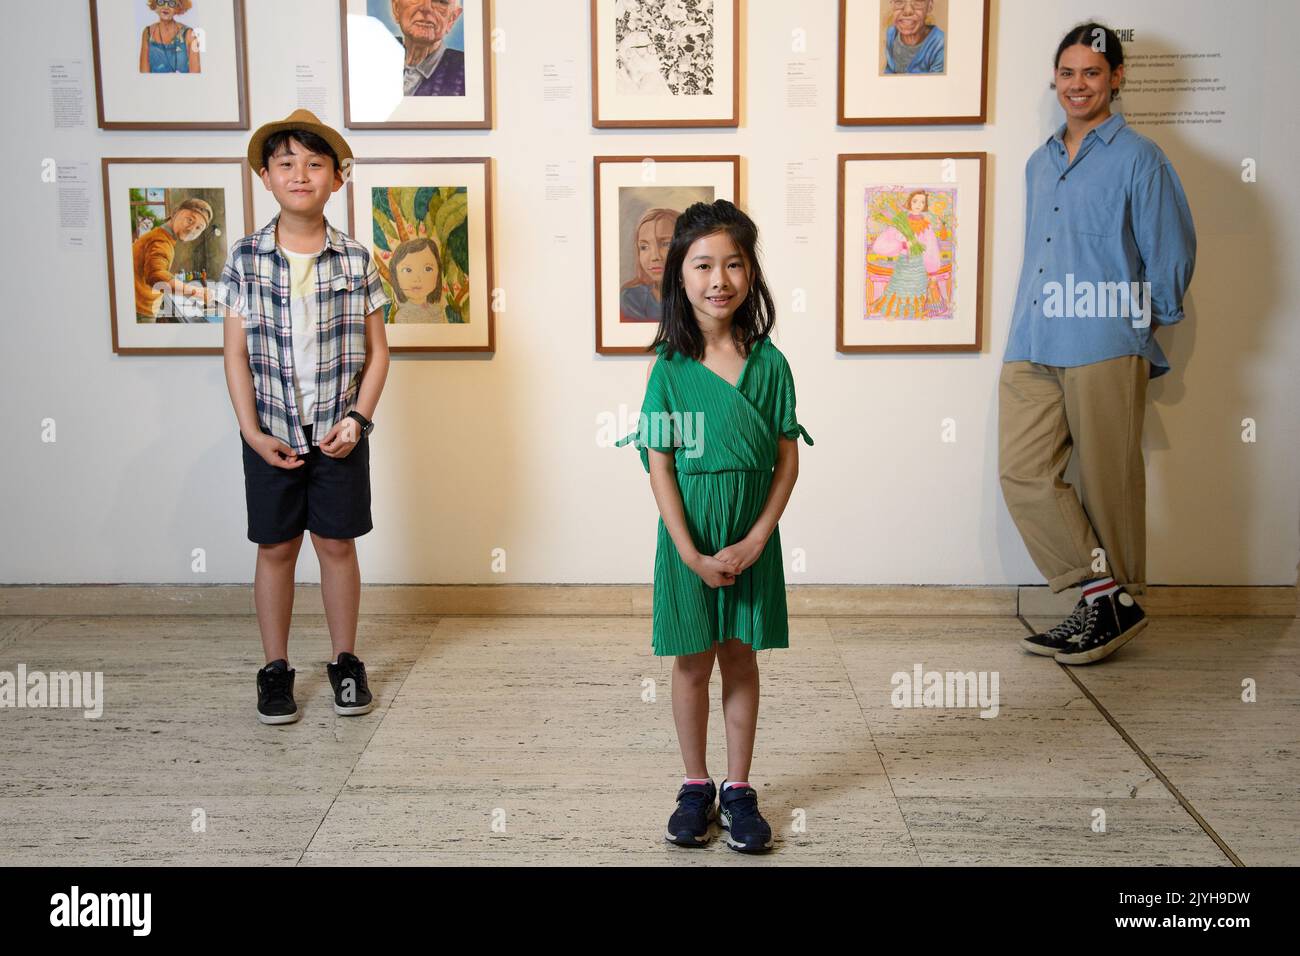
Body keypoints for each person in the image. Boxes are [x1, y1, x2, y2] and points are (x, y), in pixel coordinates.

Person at [617, 199, 814, 852]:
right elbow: (660, 468)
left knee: (740, 657)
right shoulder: (669, 371)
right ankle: (694, 783)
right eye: (703, 264)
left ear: (750, 274)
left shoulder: (770, 365)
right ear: (679, 275)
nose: (719, 278)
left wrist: (757, 539)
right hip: (690, 541)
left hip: (750, 538)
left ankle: (738, 788)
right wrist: (689, 553)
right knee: (691, 663)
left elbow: (787, 463)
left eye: (733, 263)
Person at [999, 23, 1196, 665]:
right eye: (1067, 72)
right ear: (1053, 80)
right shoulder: (1038, 161)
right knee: (1024, 471)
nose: (1077, 84)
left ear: (1115, 78)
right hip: (1034, 335)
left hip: (1106, 335)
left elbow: (1170, 249)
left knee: (1108, 481)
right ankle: (1105, 595)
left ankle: (1108, 604)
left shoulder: (1140, 157)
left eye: (1091, 72)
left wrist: (1143, 323)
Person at [218, 109, 392, 724]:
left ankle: (345, 661)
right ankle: (275, 670)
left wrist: (359, 420)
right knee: (276, 547)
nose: (300, 174)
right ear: (265, 176)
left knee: (337, 545)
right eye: (286, 162)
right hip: (269, 435)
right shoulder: (245, 257)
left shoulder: (356, 259)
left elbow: (378, 354)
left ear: (336, 179)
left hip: (340, 434)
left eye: (315, 164)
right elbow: (235, 354)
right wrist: (251, 432)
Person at [132, 198, 214, 322]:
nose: (192, 229)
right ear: (175, 212)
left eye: (198, 228)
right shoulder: (161, 241)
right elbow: (156, 276)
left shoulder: (161, 235)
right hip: (140, 310)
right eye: (190, 219)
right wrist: (198, 292)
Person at [393, 0, 466, 96]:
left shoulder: (466, 70)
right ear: (396, 9)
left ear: (452, 18)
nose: (425, 8)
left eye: (440, 1)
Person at [620, 207, 678, 323]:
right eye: (644, 247)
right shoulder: (631, 299)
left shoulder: (696, 298)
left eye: (666, 244)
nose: (655, 256)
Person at [882, 0, 944, 75]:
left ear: (929, 6)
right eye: (899, 1)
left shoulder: (939, 43)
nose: (908, 11)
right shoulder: (891, 33)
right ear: (892, 5)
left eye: (918, 1)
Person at [138, 0, 201, 74]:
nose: (166, 7)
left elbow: (196, 77)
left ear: (178, 6)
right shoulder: (147, 33)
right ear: (155, 3)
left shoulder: (190, 34)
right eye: (161, 1)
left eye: (171, 3)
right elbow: (144, 76)